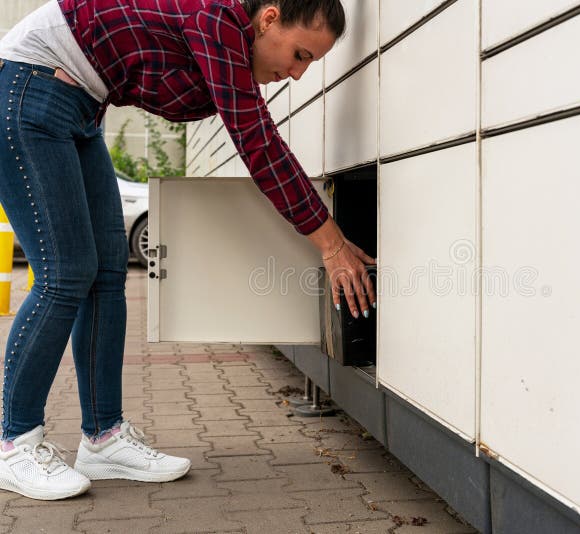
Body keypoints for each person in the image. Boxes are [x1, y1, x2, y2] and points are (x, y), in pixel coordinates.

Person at [0, 0, 375, 500]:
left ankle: (103, 437)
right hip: (29, 88)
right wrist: (330, 244)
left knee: (108, 275)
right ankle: (15, 443)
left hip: (81, 104)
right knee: (65, 273)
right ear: (268, 19)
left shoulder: (221, 40)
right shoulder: (218, 19)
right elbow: (258, 142)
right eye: (300, 54)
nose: (298, 75)